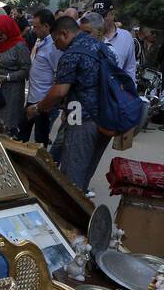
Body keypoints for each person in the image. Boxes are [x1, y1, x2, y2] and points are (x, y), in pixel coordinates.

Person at [27, 16, 112, 191]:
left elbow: (59, 92)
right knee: (86, 171)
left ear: (64, 33)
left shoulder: (72, 53)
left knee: (71, 176)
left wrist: (36, 108)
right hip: (106, 117)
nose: (56, 46)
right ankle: (80, 201)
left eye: (56, 40)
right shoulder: (102, 47)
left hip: (80, 117)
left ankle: (69, 206)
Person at [20, 9, 61, 145]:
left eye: (36, 27)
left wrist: (49, 102)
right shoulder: (42, 42)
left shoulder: (54, 47)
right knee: (23, 134)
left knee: (40, 140)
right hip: (33, 97)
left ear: (46, 26)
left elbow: (58, 76)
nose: (33, 29)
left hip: (43, 101)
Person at [0, 14, 31, 135]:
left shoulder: (20, 46)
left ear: (8, 30)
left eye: (0, 34)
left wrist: (8, 77)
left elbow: (26, 70)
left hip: (11, 92)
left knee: (5, 126)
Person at [91, 0, 137, 79]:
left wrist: (129, 86)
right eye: (96, 16)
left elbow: (130, 69)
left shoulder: (126, 37)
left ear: (112, 14)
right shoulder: (88, 36)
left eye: (102, 15)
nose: (99, 20)